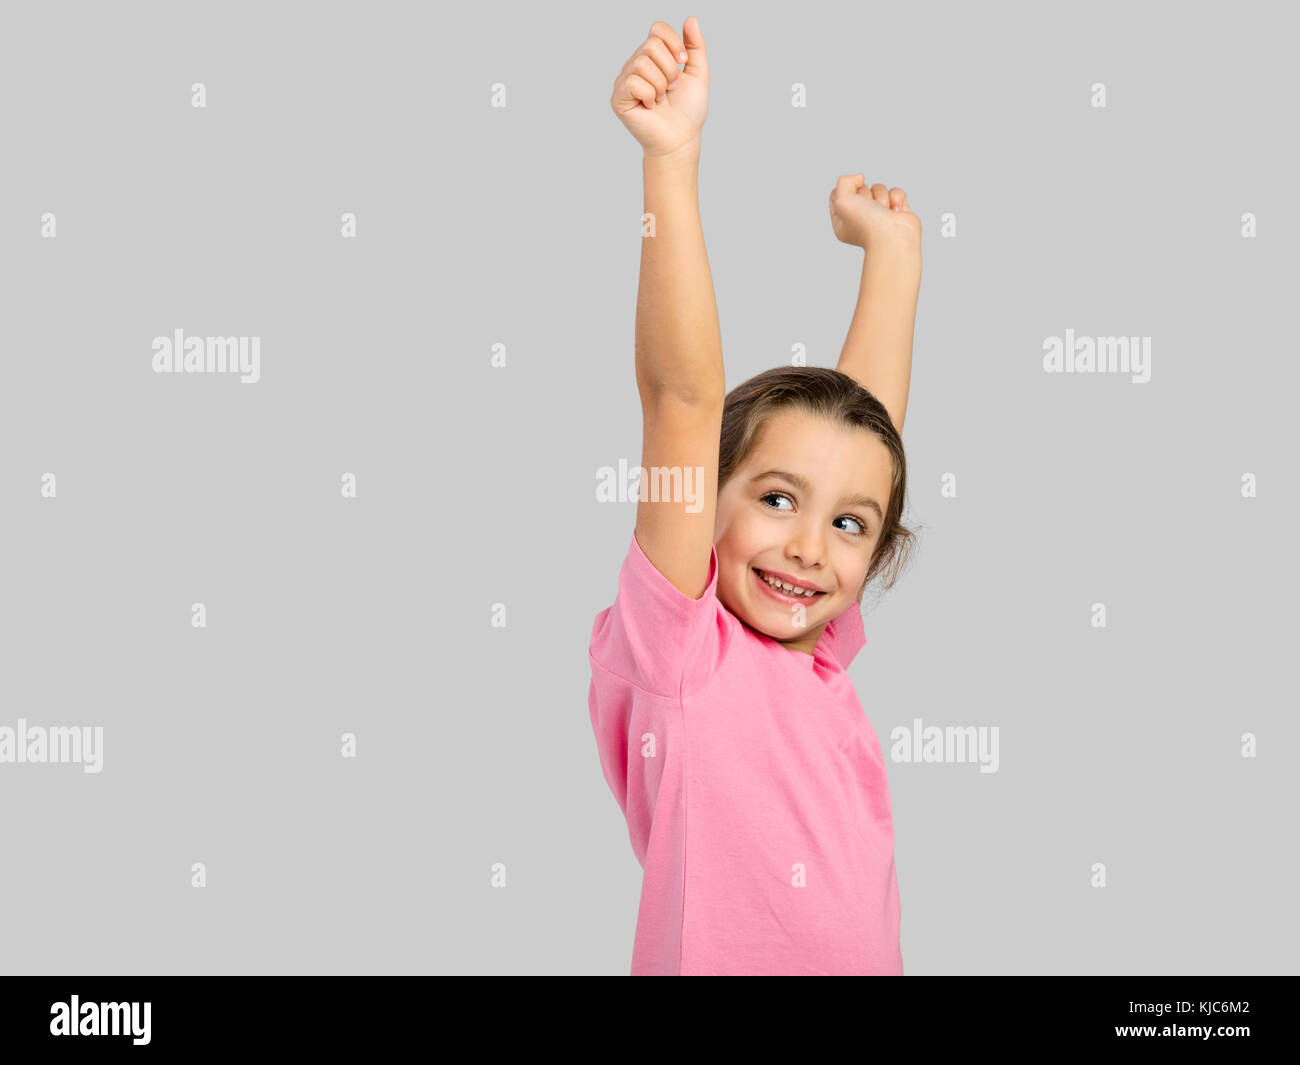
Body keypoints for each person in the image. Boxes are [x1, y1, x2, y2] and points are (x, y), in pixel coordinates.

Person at [589, 15, 922, 975]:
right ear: (706, 499)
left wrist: (893, 256)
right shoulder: (683, 649)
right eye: (776, 500)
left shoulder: (816, 658)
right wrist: (671, 159)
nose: (811, 546)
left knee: (848, 458)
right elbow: (683, 400)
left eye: (848, 527)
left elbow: (867, 447)